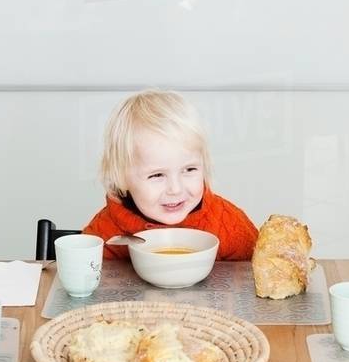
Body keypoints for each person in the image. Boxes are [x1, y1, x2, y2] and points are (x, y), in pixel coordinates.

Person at [83, 90, 258, 260]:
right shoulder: (105, 232)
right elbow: (83, 273)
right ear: (121, 178)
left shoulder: (228, 224)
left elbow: (259, 271)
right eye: (157, 175)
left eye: (189, 170)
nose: (175, 189)